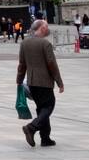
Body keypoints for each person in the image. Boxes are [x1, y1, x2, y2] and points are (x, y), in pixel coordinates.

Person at [16, 19, 65, 148]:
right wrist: (59, 82)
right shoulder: (45, 44)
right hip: (44, 82)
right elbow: (52, 64)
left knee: (41, 108)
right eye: (46, 26)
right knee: (49, 106)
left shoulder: (24, 43)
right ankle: (31, 128)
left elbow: (22, 64)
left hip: (31, 82)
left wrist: (19, 81)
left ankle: (45, 138)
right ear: (41, 28)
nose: (47, 28)